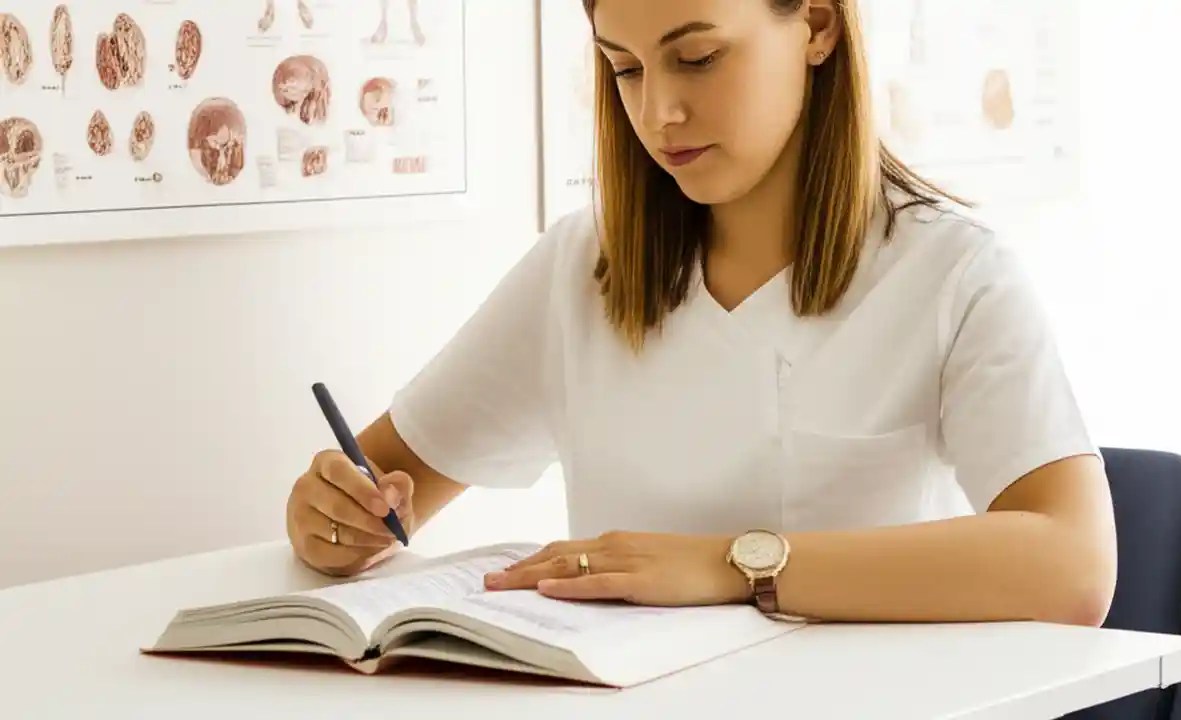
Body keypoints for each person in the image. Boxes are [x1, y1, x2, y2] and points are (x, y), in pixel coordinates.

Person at [285, 0, 1117, 626]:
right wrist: (331, 519)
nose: (657, 114)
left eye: (698, 58)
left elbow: (1075, 566)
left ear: (818, 26)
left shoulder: (954, 273)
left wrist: (734, 566)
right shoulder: (582, 266)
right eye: (627, 69)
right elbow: (386, 488)